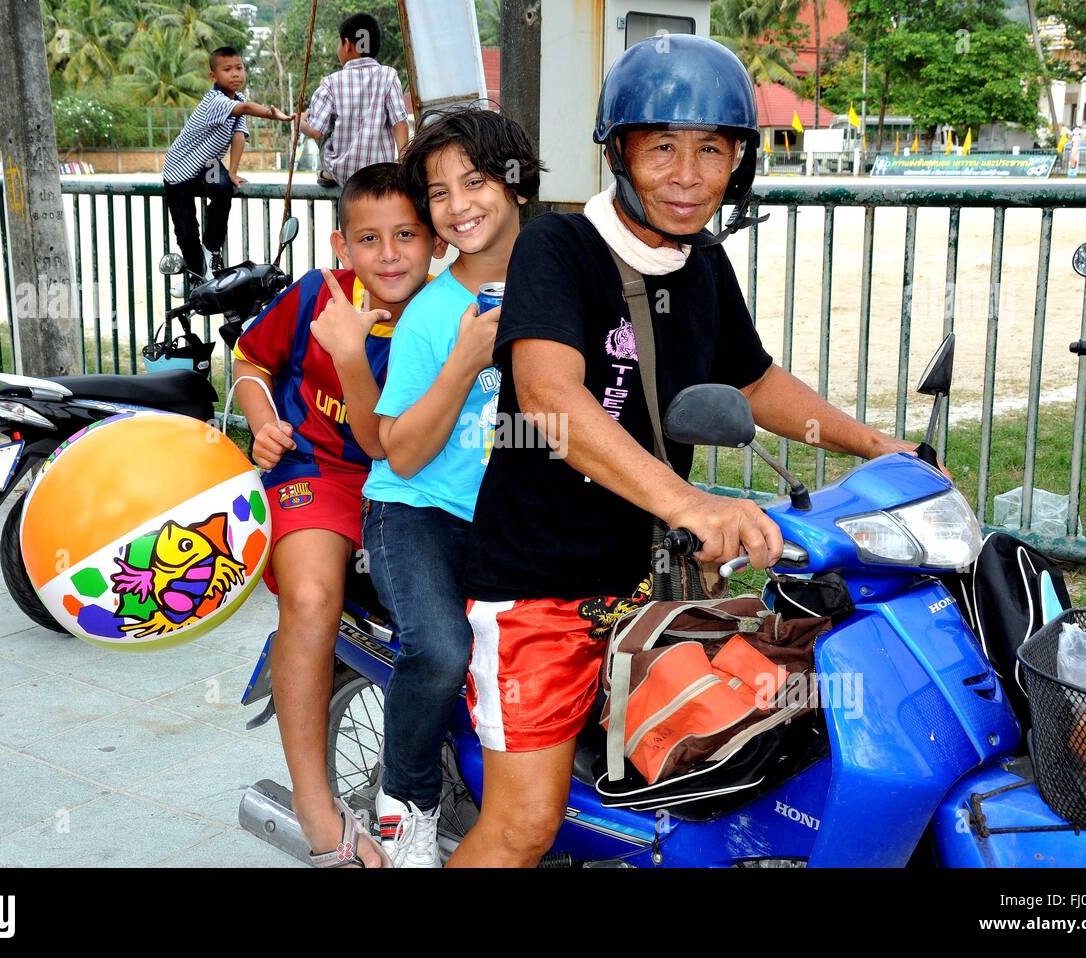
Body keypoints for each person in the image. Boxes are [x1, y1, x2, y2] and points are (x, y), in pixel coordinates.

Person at [450, 35, 937, 868]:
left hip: (648, 586)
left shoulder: (703, 262)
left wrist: (874, 443)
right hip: (538, 591)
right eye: (662, 148)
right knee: (520, 827)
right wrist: (692, 502)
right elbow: (550, 400)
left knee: (734, 761)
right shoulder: (558, 249)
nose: (687, 175)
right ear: (620, 154)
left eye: (711, 149)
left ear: (739, 160)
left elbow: (751, 381)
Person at [231, 162, 445, 868]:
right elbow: (249, 361)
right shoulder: (313, 300)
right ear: (340, 247)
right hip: (317, 471)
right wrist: (262, 420)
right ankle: (313, 803)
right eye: (370, 238)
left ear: (437, 241)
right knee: (314, 598)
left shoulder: (448, 315)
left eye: (406, 235)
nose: (389, 254)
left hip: (413, 480)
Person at [359, 106, 543, 867]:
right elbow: (399, 452)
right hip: (417, 511)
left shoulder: (559, 277)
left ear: (517, 183)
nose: (460, 204)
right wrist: (466, 359)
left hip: (512, 516)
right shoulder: (433, 314)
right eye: (439, 193)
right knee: (440, 650)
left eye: (477, 181)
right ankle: (405, 807)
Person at [163, 46, 293, 291]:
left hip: (208, 164)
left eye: (239, 68)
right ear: (214, 76)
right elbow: (244, 110)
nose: (235, 74)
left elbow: (239, 136)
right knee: (186, 230)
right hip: (180, 169)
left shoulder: (238, 99)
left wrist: (232, 172)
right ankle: (194, 277)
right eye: (227, 69)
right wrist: (272, 114)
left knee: (224, 189)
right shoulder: (215, 101)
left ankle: (211, 250)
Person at [299, 13, 409, 188]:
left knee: (321, 120)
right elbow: (400, 123)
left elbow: (315, 132)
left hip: (343, 173)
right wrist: (403, 164)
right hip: (378, 172)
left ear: (348, 44)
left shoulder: (331, 82)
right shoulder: (389, 75)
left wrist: (300, 122)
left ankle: (328, 173)